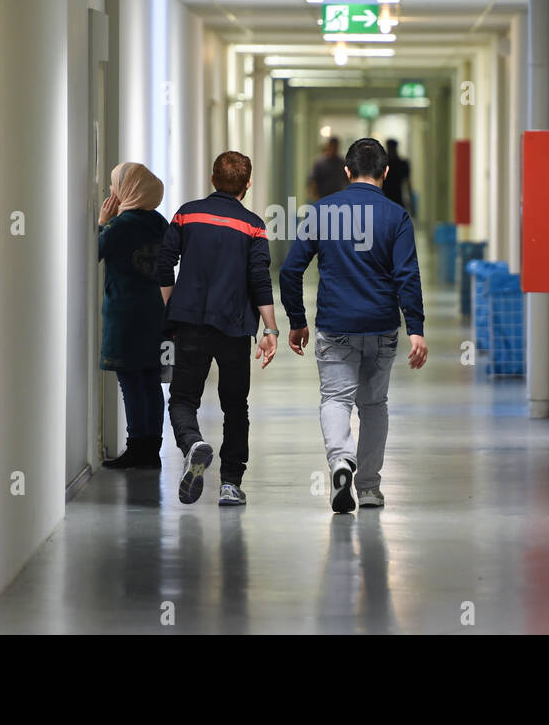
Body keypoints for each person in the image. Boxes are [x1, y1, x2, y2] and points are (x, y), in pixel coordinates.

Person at [279, 137, 427, 514]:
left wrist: (297, 321)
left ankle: (340, 462)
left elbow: (290, 270)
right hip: (381, 326)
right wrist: (416, 328)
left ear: (346, 172)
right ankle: (370, 489)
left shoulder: (321, 211)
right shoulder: (396, 216)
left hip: (335, 325)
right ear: (386, 172)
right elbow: (407, 275)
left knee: (335, 400)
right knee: (374, 405)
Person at [158, 151, 280, 506]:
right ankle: (230, 483)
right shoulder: (253, 225)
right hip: (235, 326)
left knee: (182, 397)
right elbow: (259, 279)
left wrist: (173, 304)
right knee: (235, 405)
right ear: (247, 185)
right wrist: (270, 329)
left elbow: (165, 262)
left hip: (191, 322)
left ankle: (193, 442)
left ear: (213, 179)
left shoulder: (187, 213)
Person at [97, 163, 169, 470]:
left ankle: (136, 445)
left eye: (115, 186)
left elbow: (96, 250)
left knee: (130, 381)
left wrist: (102, 222)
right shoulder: (160, 223)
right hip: (154, 309)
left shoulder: (121, 225)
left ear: (128, 190)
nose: (112, 192)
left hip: (125, 311)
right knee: (151, 379)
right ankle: (152, 447)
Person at [307, 137, 348, 201]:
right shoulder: (320, 162)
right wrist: (315, 197)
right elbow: (313, 181)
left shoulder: (342, 162)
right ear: (329, 146)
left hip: (338, 198)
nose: (334, 149)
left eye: (336, 147)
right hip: (322, 197)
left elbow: (347, 180)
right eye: (333, 147)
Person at [382, 138, 413, 214]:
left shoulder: (382, 164)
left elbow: (407, 182)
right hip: (393, 199)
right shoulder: (401, 164)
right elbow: (408, 183)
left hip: (391, 199)